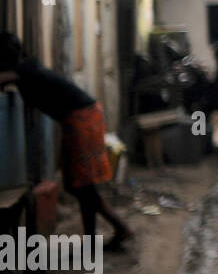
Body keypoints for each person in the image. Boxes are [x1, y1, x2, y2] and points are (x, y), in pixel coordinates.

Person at [0, 32, 132, 249]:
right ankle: (98, 237)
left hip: (82, 120)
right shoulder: (27, 66)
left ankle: (120, 229)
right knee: (78, 185)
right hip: (81, 119)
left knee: (82, 186)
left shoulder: (23, 69)